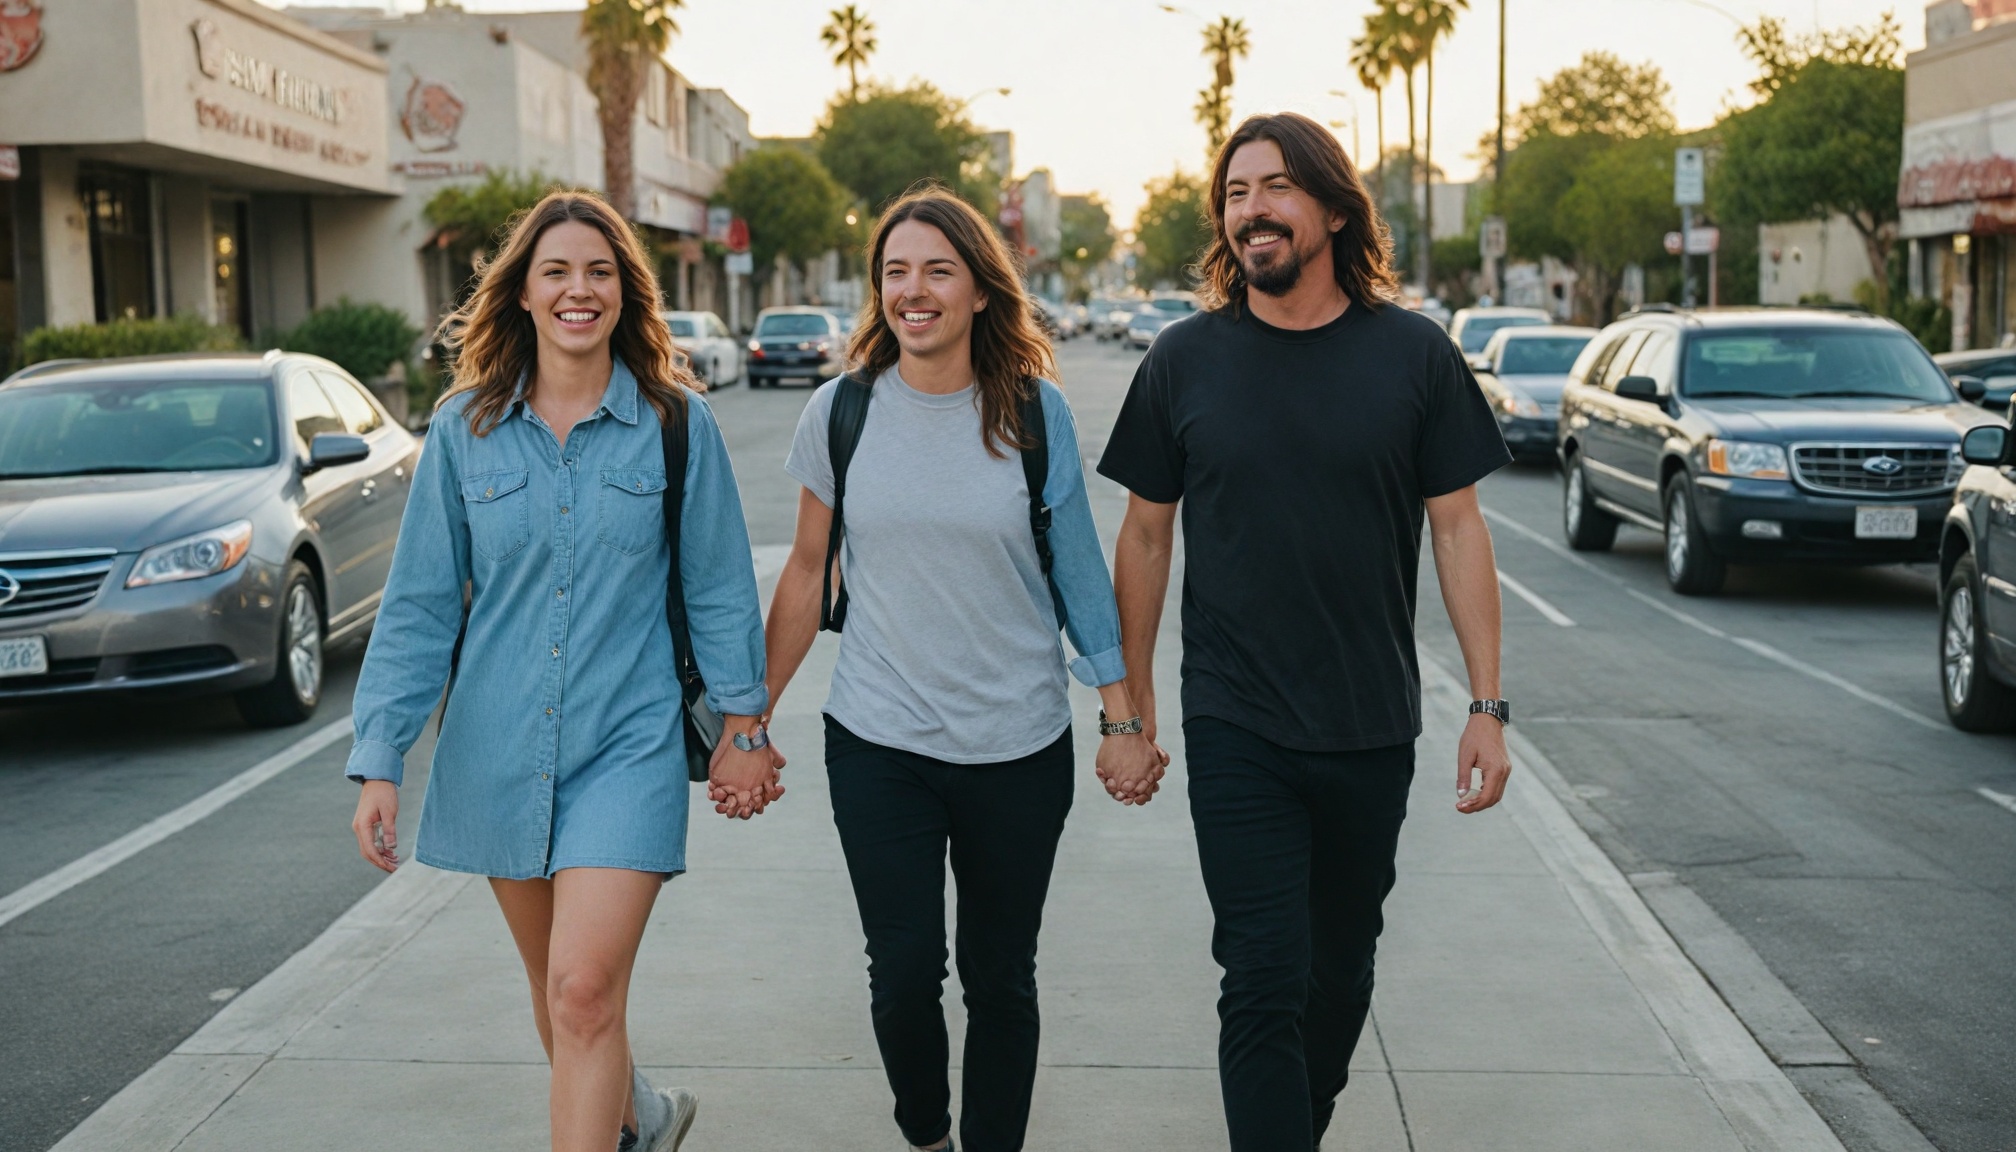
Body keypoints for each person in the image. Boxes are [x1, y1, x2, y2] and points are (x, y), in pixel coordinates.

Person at [1098, 112, 1515, 1151]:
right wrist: (1131, 708)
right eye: (1236, 194)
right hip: (1237, 721)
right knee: (1262, 975)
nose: (1253, 210)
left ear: (1333, 209)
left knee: (1338, 979)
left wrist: (1487, 706)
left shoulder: (1414, 355)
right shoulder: (1183, 361)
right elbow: (1145, 539)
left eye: (1276, 188)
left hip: (1370, 722)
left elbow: (1459, 531)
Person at [345, 191, 782, 1152]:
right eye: (557, 272)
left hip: (629, 745)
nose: (578, 290)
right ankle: (643, 1119)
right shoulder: (465, 430)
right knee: (561, 995)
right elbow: (420, 605)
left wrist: (746, 729)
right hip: (497, 746)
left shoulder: (676, 424)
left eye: (599, 271)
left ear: (625, 292)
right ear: (526, 295)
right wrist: (381, 757)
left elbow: (717, 591)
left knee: (584, 989)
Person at [762, 187, 1166, 1152]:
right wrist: (750, 719)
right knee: (903, 971)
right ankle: (927, 1134)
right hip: (878, 739)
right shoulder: (841, 411)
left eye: (938, 270)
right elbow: (808, 572)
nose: (914, 290)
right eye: (896, 272)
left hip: (1019, 744)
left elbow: (1075, 566)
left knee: (999, 976)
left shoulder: (1034, 413)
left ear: (982, 290)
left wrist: (1121, 718)